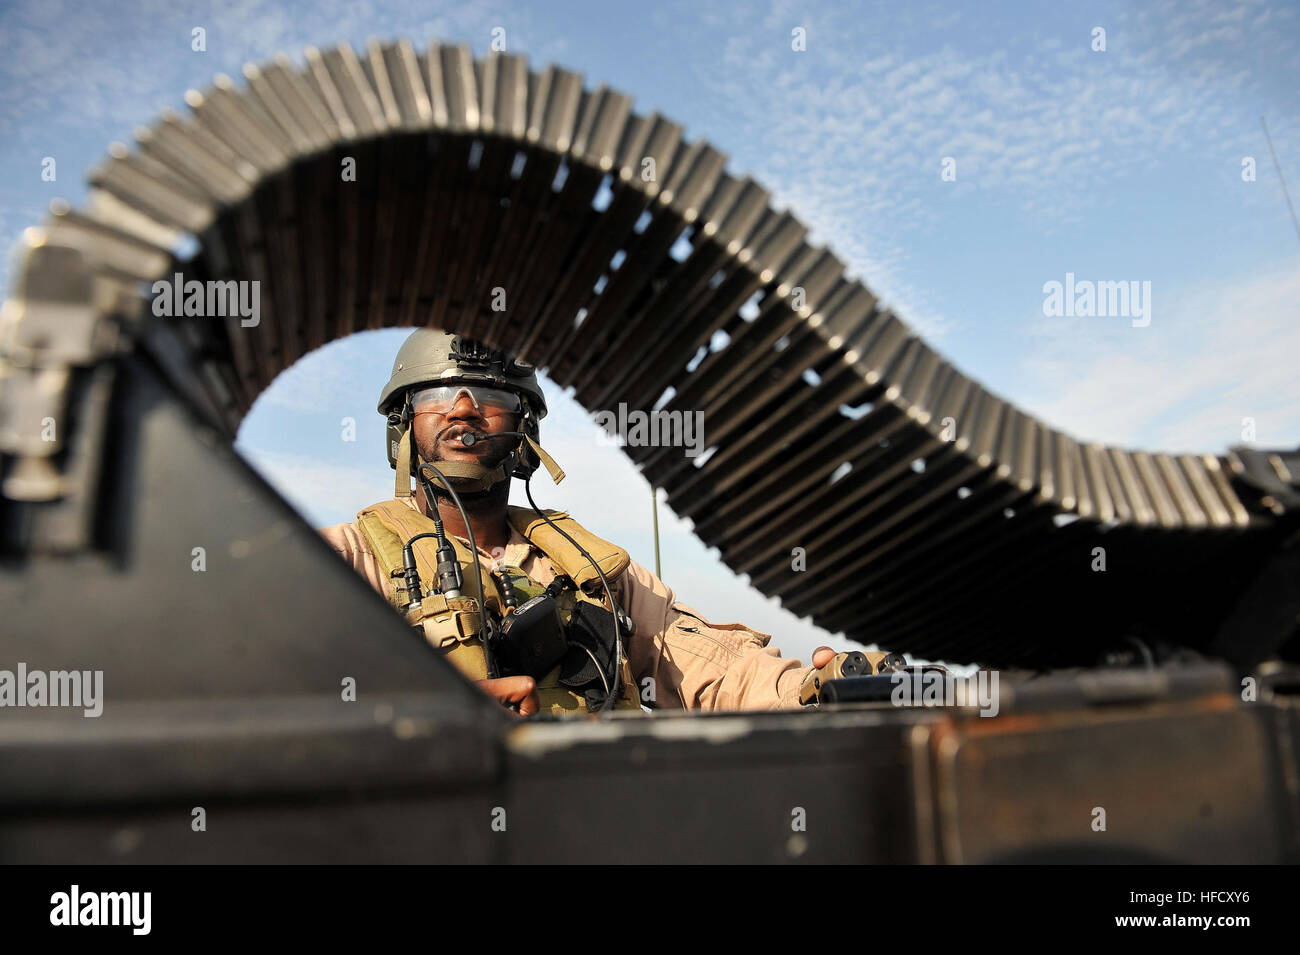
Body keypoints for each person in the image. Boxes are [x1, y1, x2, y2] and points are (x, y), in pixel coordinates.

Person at [320, 329, 846, 715]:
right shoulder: (341, 562)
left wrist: (818, 688)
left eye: (492, 398)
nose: (463, 411)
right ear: (403, 428)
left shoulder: (593, 567)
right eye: (436, 397)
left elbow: (714, 666)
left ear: (525, 433)